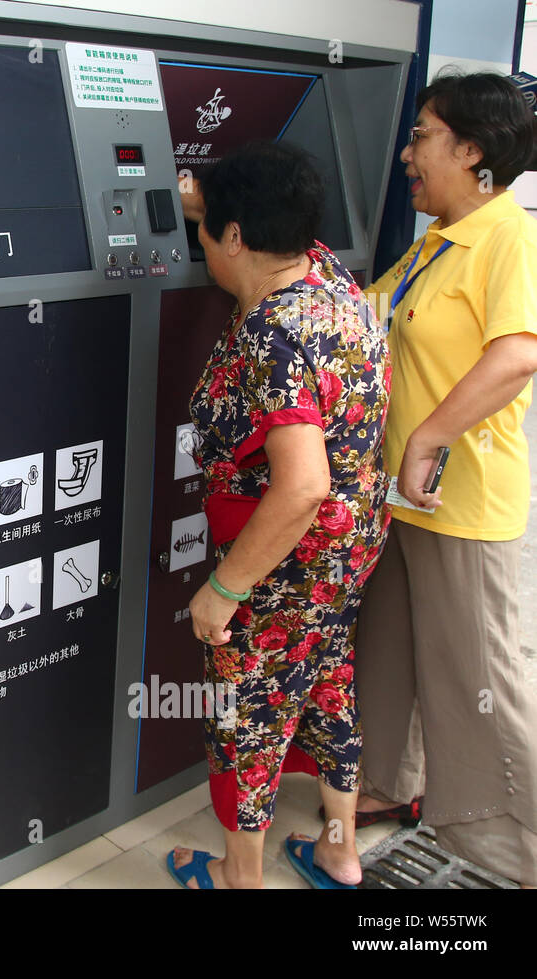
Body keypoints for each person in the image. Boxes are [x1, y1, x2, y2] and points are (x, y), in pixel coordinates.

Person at [167, 141, 391, 889]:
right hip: (347, 556)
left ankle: (240, 877)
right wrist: (205, 197)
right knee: (329, 686)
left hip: (282, 567)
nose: (199, 243)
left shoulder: (272, 336)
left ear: (235, 238)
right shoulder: (329, 278)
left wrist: (224, 588)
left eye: (207, 231)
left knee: (245, 718)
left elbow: (299, 487)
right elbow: (272, 212)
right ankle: (339, 850)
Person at [355, 71, 537, 887]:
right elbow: (368, 312)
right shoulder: (438, 240)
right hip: (403, 503)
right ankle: (391, 788)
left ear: (471, 151)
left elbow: (520, 352)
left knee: (484, 686)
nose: (405, 153)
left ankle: (520, 847)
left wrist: (426, 437)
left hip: (462, 503)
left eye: (422, 135)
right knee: (390, 658)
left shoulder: (509, 238)